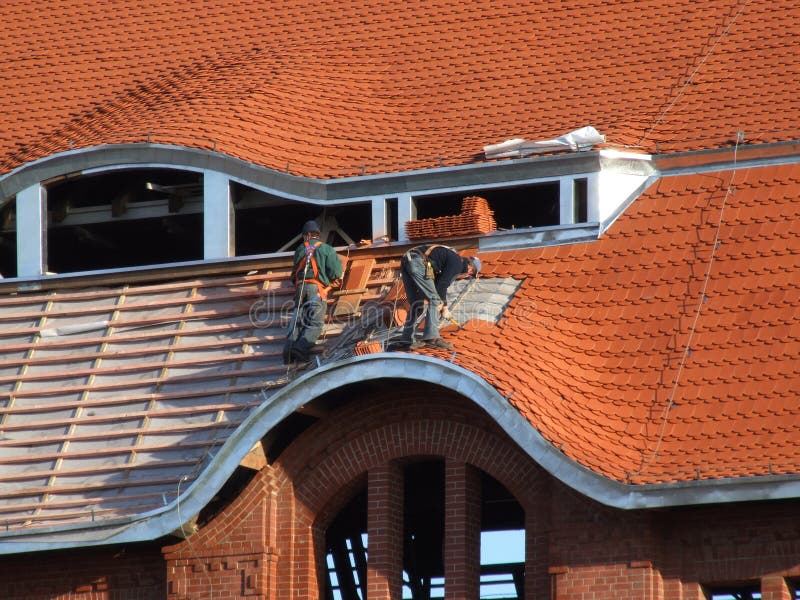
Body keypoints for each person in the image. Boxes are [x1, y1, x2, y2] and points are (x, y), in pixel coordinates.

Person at [397, 244, 481, 350]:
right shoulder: (457, 263)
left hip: (407, 260)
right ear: (470, 268)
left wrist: (440, 305)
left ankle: (406, 339)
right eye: (472, 274)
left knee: (417, 303)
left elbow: (436, 286)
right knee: (435, 300)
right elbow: (442, 286)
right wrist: (445, 308)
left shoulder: (448, 260)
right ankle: (431, 338)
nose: (468, 276)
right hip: (417, 262)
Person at [284, 220, 343, 363]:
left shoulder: (299, 249)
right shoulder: (326, 249)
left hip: (300, 289)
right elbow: (336, 273)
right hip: (316, 290)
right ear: (317, 235)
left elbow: (294, 275)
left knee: (299, 320)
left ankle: (289, 350)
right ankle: (301, 348)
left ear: (308, 235)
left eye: (304, 236)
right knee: (315, 323)